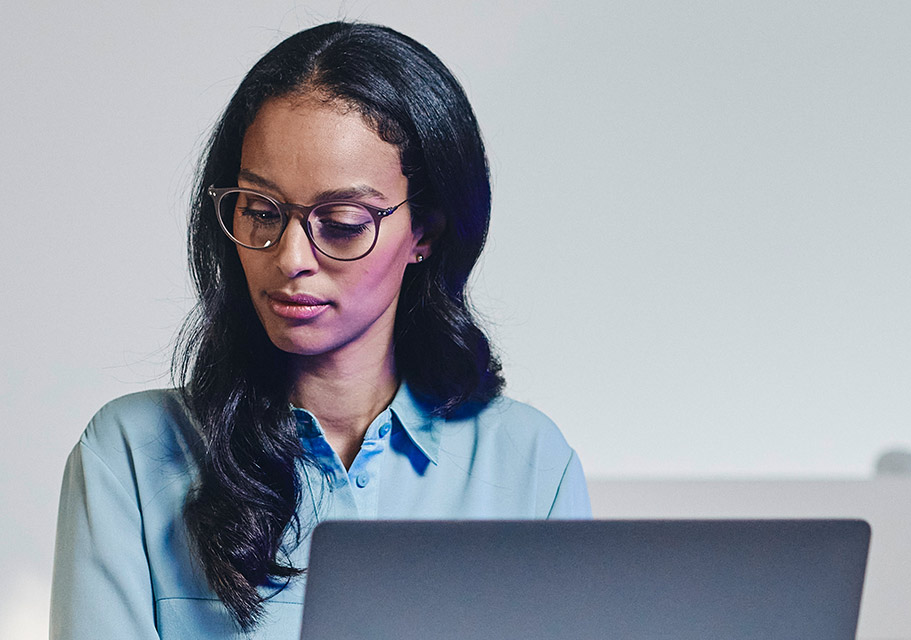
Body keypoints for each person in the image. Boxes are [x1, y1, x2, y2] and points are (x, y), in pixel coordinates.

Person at [50, 21, 588, 640]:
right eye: (260, 211)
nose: (289, 258)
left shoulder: (528, 463)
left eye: (340, 222)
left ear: (426, 232)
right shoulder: (132, 455)